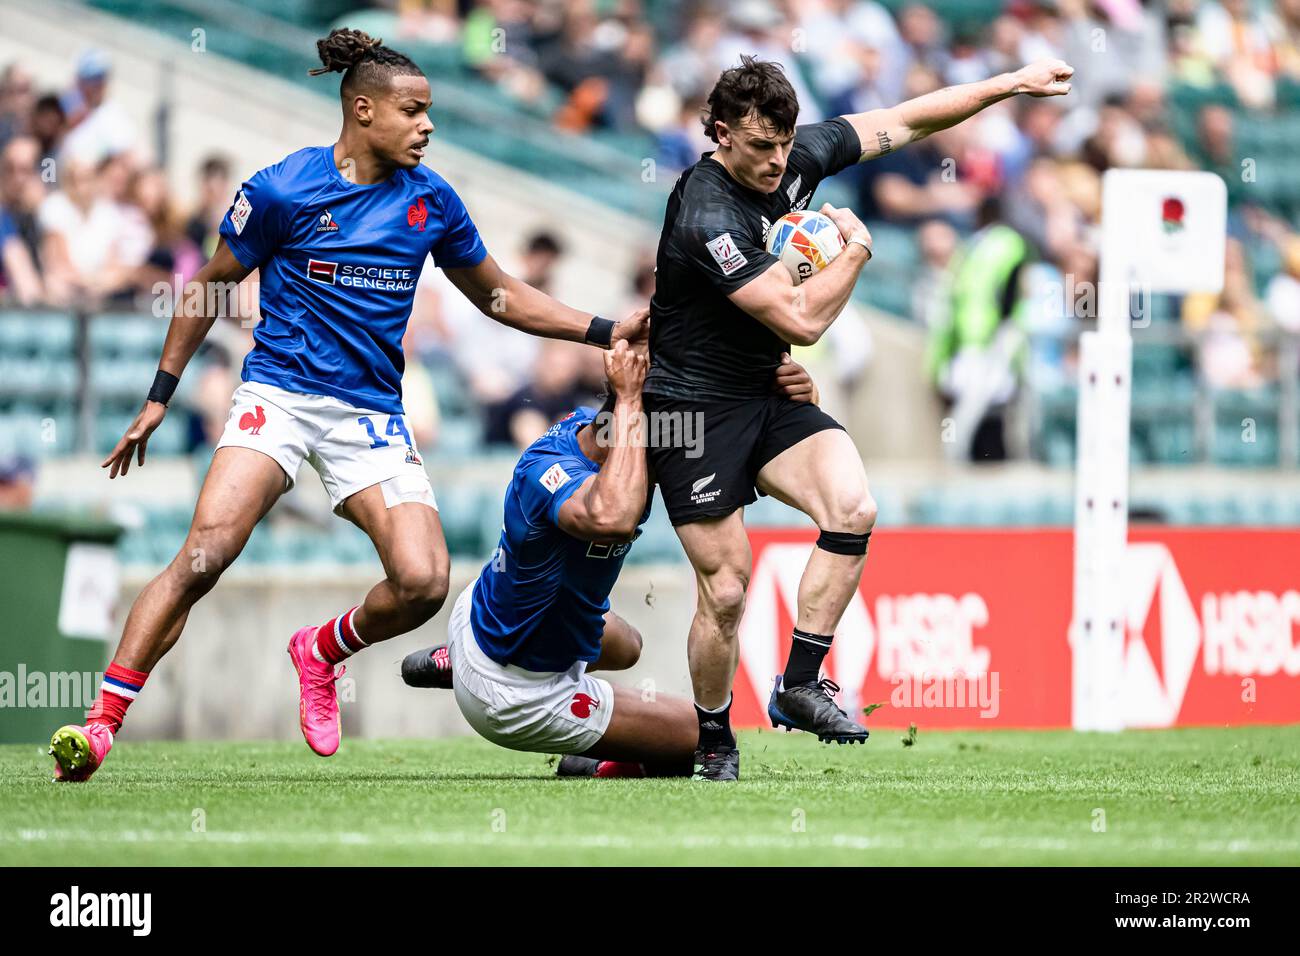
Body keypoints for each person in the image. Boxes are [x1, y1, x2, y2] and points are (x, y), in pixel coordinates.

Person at [48, 27, 647, 783]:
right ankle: (100, 726)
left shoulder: (431, 202)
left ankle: (321, 648)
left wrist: (604, 329)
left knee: (424, 582)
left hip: (370, 416)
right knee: (206, 554)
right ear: (363, 110)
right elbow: (207, 284)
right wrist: (161, 395)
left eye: (430, 111)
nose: (428, 125)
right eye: (414, 111)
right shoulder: (283, 188)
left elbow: (498, 294)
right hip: (280, 396)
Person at [644, 54, 1073, 779]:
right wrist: (859, 249)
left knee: (853, 506)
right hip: (691, 408)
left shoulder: (796, 154)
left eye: (785, 143)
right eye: (759, 147)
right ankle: (713, 735)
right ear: (719, 133)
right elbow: (800, 319)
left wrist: (1010, 83)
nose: (778, 161)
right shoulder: (706, 212)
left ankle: (801, 683)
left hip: (768, 390)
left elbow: (905, 120)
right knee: (726, 590)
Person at [400, 342, 822, 778]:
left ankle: (463, 659)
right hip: (513, 692)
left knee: (628, 646)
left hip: (490, 617)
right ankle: (593, 760)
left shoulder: (599, 428)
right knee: (697, 740)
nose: (683, 444)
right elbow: (611, 518)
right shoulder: (550, 469)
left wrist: (798, 403)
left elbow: (749, 453)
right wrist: (633, 401)